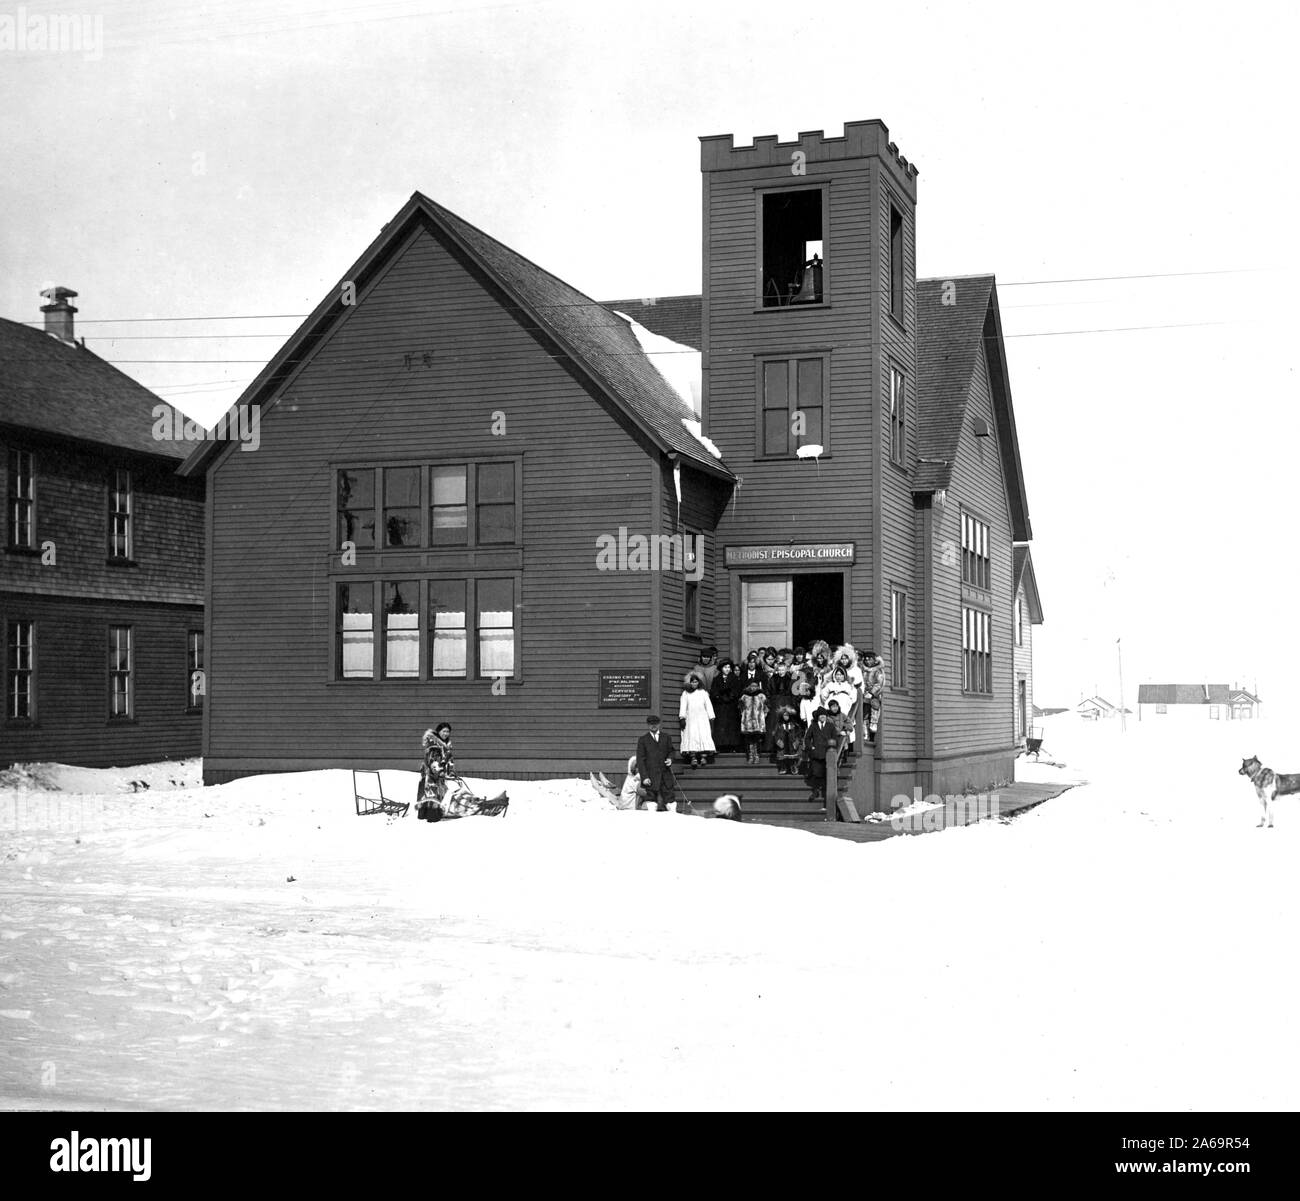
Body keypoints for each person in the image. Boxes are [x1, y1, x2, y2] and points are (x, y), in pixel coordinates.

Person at [417, 721, 455, 820]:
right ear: (438, 731)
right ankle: (432, 817)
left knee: (438, 794)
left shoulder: (446, 745)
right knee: (432, 794)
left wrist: (451, 771)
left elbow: (450, 760)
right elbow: (432, 761)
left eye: (448, 731)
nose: (446, 734)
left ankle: (430, 815)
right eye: (444, 731)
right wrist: (439, 771)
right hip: (431, 774)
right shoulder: (433, 745)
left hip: (440, 775)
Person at [636, 715, 675, 811]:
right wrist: (644, 777)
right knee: (651, 801)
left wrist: (670, 758)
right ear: (648, 725)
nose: (653, 726)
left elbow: (672, 751)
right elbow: (640, 760)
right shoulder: (643, 740)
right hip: (650, 777)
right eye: (651, 724)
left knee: (670, 801)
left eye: (655, 724)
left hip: (665, 775)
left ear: (659, 724)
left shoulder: (666, 737)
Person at [803, 706, 841, 803]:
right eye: (820, 715)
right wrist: (810, 747)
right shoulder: (814, 725)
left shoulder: (830, 726)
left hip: (827, 753)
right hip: (816, 753)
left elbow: (835, 739)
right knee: (816, 773)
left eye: (824, 715)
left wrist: (833, 748)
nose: (822, 717)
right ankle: (815, 791)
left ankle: (827, 794)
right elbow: (807, 738)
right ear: (818, 717)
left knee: (827, 773)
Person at [679, 672, 716, 768]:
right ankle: (693, 758)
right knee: (692, 736)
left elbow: (708, 705)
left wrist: (711, 717)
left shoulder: (703, 693)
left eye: (696, 682)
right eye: (692, 682)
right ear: (689, 683)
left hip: (702, 718)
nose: (694, 684)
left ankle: (703, 757)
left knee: (703, 735)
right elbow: (683, 706)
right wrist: (682, 717)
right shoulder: (686, 693)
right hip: (691, 719)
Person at [710, 658, 742, 752]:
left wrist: (729, 697)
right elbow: (714, 692)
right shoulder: (717, 679)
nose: (727, 669)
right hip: (720, 707)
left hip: (731, 707)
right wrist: (719, 697)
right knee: (721, 726)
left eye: (729, 667)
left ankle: (732, 746)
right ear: (721, 668)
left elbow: (736, 691)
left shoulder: (735, 679)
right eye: (725, 667)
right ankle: (721, 745)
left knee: (731, 726)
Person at [739, 677, 768, 765]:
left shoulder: (761, 696)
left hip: (758, 722)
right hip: (747, 722)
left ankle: (757, 756)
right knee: (749, 740)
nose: (753, 688)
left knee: (757, 739)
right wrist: (744, 716)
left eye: (755, 686)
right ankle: (751, 756)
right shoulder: (744, 696)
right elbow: (740, 708)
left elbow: (766, 708)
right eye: (751, 686)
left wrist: (762, 717)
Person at [773, 705, 805, 775]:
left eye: (787, 715)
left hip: (792, 743)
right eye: (784, 715)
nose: (786, 717)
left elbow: (799, 734)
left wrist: (797, 741)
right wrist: (778, 741)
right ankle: (783, 767)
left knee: (793, 756)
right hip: (783, 743)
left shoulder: (794, 725)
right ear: (782, 716)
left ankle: (793, 766)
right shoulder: (779, 725)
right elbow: (775, 734)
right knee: (782, 756)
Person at [862, 648, 885, 743]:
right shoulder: (863, 670)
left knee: (874, 711)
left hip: (874, 695)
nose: (867, 661)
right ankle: (865, 734)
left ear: (874, 660)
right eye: (866, 659)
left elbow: (879, 683)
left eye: (869, 659)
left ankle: (872, 734)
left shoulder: (878, 671)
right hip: (864, 695)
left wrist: (872, 693)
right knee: (864, 715)